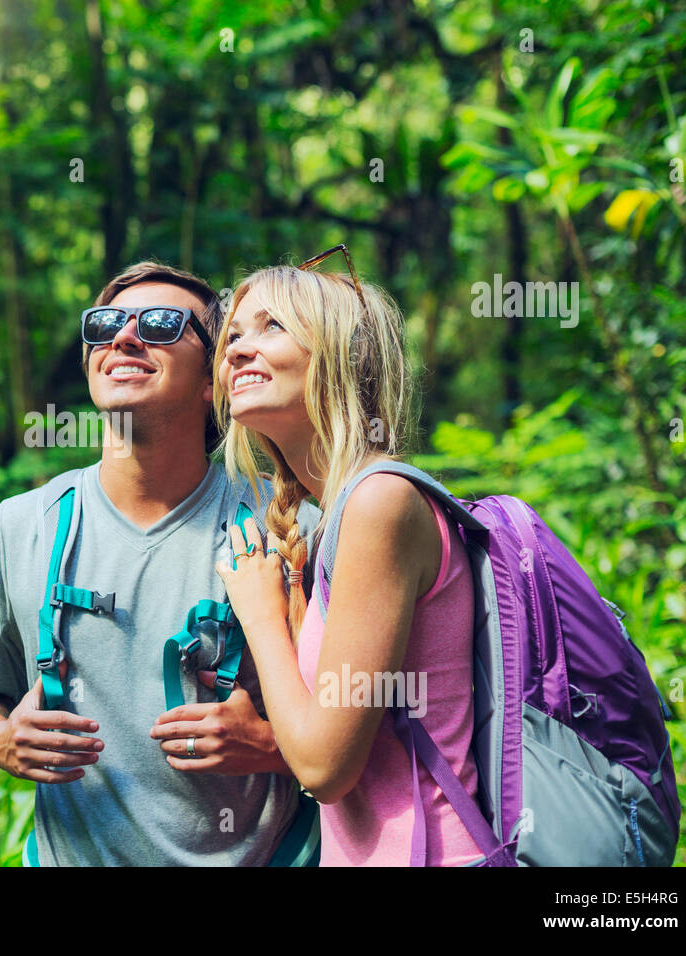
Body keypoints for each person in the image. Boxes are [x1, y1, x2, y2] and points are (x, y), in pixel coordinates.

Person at [0, 261, 319, 866]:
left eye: (163, 325)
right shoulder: (14, 530)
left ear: (213, 381)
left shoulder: (292, 529)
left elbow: (370, 734)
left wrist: (272, 746)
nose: (123, 337)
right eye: (105, 324)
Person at [211, 247, 485, 866]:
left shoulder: (379, 504)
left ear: (340, 354)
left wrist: (259, 613)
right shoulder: (334, 518)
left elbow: (323, 767)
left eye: (271, 326)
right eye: (232, 335)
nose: (235, 349)